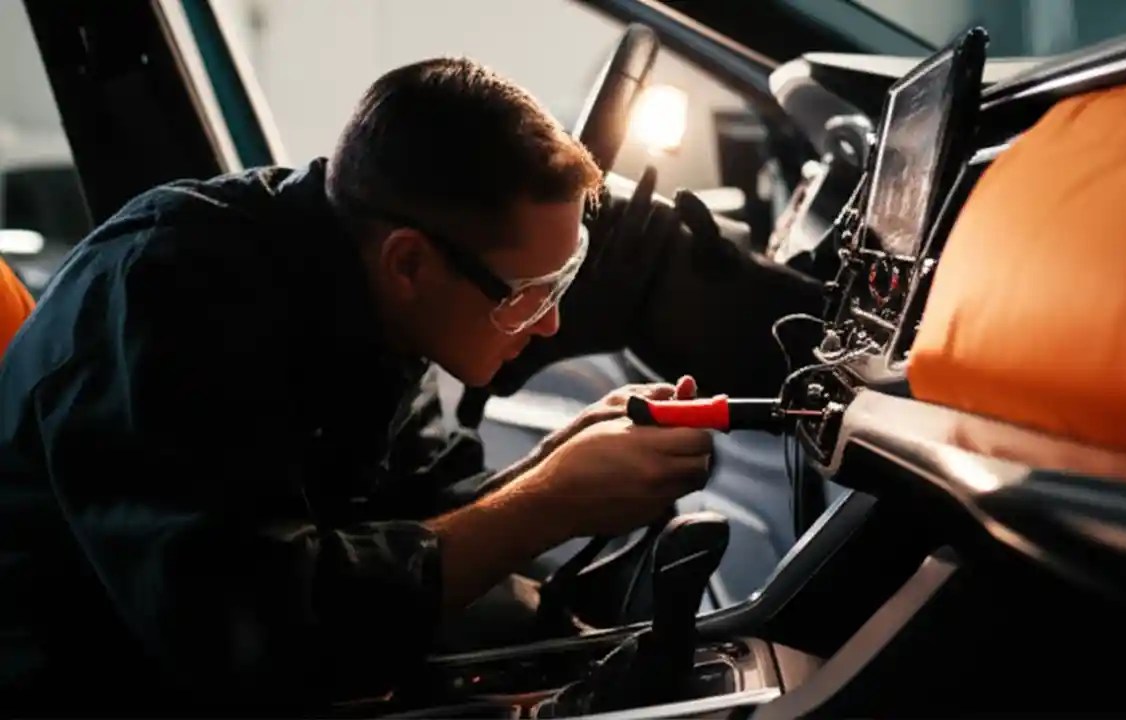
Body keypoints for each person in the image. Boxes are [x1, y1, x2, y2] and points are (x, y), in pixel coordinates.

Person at [0, 57, 715, 714]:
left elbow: (420, 512)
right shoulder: (168, 299)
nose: (551, 322)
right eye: (528, 292)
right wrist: (551, 501)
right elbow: (261, 631)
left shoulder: (368, 294)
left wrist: (562, 460)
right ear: (410, 264)